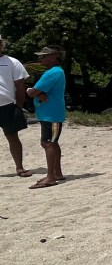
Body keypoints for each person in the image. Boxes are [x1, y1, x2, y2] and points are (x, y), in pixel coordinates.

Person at [25, 45, 67, 189]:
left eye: (44, 56)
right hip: (51, 114)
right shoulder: (56, 71)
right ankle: (56, 173)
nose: (40, 58)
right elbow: (38, 91)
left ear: (53, 57)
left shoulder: (52, 73)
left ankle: (50, 177)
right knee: (53, 143)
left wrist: (31, 91)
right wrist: (37, 93)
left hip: (51, 115)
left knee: (47, 143)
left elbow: (32, 92)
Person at [0, 34, 30, 177]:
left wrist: (18, 106)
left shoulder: (12, 62)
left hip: (7, 106)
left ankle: (19, 167)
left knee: (12, 137)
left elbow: (20, 86)